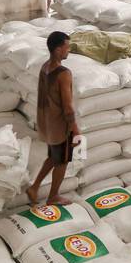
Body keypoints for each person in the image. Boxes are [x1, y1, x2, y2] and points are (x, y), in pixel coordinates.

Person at [27, 31, 78, 206]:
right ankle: (53, 196)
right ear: (57, 50)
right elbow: (68, 107)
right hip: (60, 126)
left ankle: (34, 187)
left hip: (48, 123)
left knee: (53, 157)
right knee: (62, 161)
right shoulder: (64, 73)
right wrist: (75, 129)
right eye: (66, 47)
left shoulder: (44, 67)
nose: (68, 50)